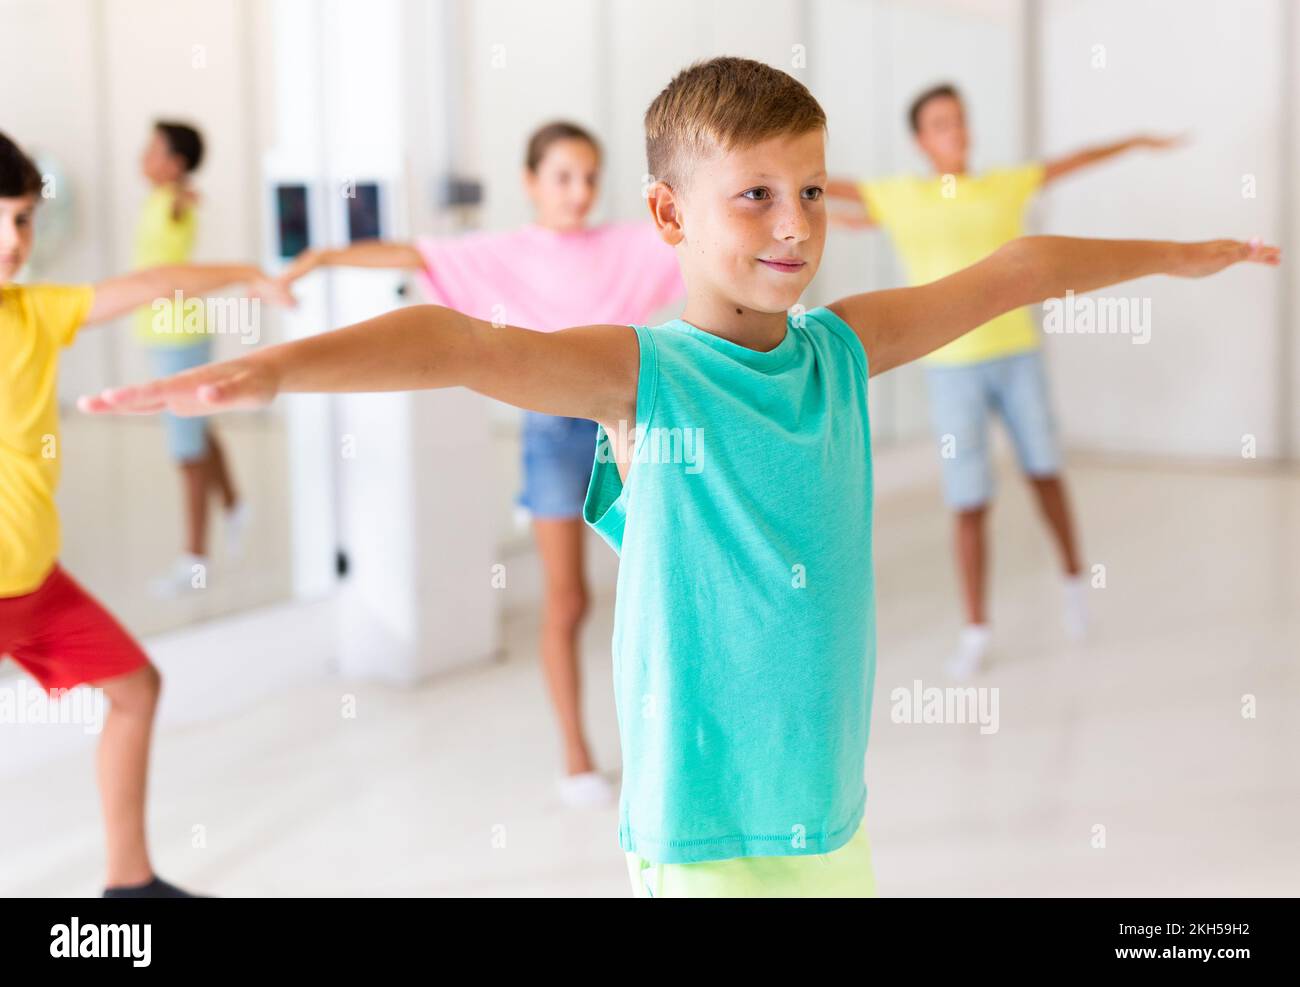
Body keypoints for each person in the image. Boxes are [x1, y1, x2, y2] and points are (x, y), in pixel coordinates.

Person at [80, 58, 1278, 898]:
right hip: (701, 830)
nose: (792, 221)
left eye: (809, 189)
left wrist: (1177, 254)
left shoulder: (844, 350)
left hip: (827, 811)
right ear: (666, 213)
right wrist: (276, 373)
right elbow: (462, 343)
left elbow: (1014, 268)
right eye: (752, 193)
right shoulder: (646, 377)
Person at [279, 121, 683, 806]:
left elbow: (702, 236)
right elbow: (409, 252)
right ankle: (576, 752)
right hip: (554, 430)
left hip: (630, 413)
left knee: (659, 591)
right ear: (530, 183)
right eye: (563, 177)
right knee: (570, 598)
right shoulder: (503, 252)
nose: (580, 191)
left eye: (590, 176)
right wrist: (320, 256)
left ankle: (668, 748)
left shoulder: (627, 243)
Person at [0, 131, 290, 896]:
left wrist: (244, 275)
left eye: (22, 218)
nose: (11, 241)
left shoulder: (35, 310)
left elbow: (152, 281)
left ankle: (129, 882)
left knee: (135, 687)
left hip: (34, 583)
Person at [826, 83, 1182, 677]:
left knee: (1045, 473)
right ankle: (976, 628)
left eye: (961, 121)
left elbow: (1080, 158)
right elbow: (818, 181)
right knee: (969, 500)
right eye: (941, 124)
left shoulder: (1004, 185)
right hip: (950, 369)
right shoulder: (896, 196)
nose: (956, 132)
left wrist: (1138, 140)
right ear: (920, 140)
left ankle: (1074, 583)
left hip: (1017, 357)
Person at [134, 121, 249, 597]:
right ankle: (236, 503)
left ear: (176, 164)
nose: (142, 155)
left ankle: (194, 559)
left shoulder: (174, 202)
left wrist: (184, 195)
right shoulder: (159, 200)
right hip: (170, 334)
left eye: (153, 149)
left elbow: (181, 211)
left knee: (186, 453)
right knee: (198, 429)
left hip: (178, 337)